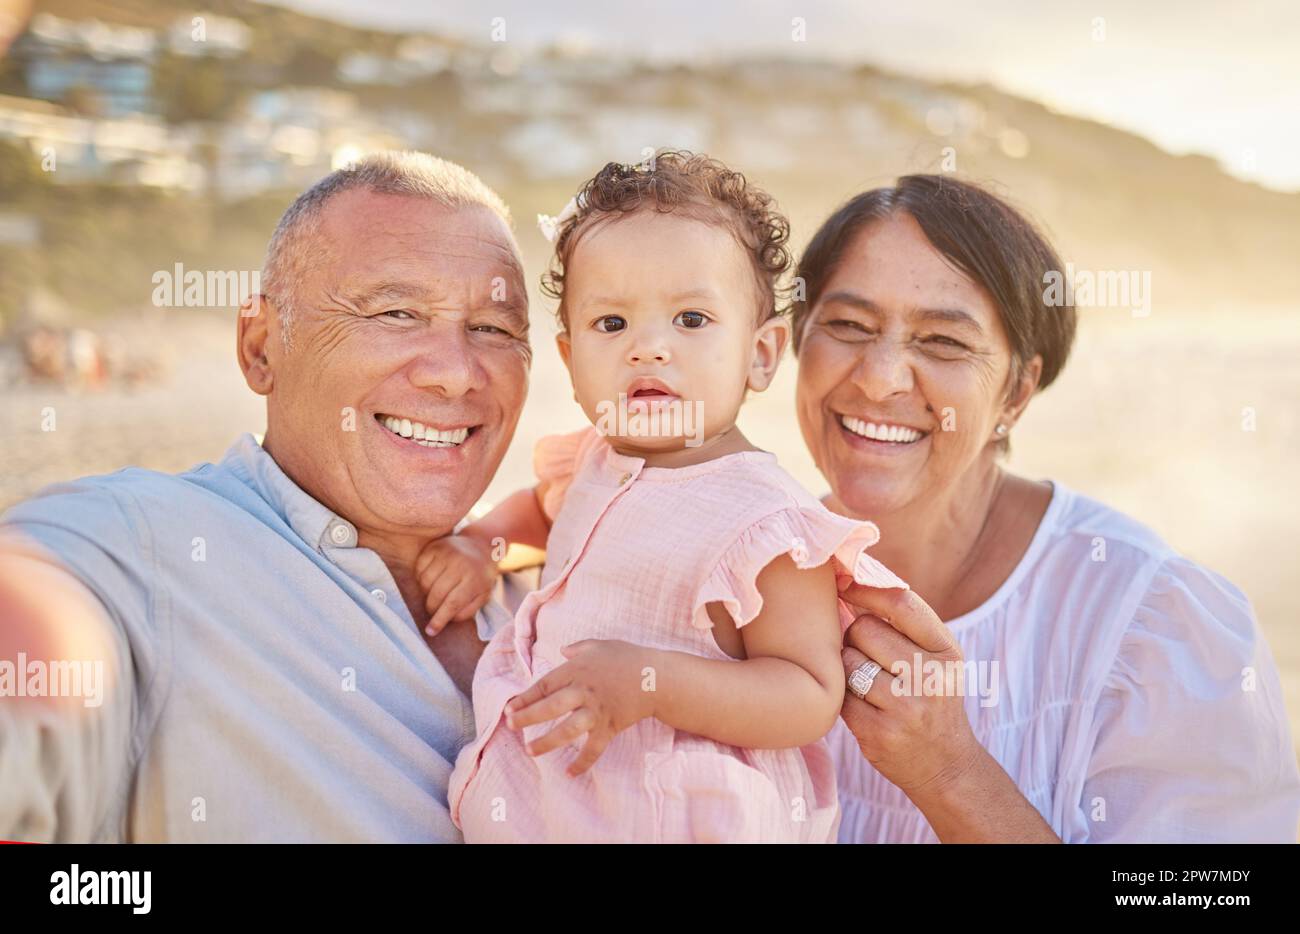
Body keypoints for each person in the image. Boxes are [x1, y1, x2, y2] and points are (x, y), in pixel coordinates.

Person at [0, 151, 530, 842]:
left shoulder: (569, 581)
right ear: (260, 347)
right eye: (396, 312)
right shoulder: (145, 548)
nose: (456, 373)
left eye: (493, 328)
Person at [789, 174, 1300, 842]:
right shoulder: (733, 578)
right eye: (849, 326)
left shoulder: (1147, 623)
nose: (879, 379)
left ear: (1017, 392)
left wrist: (951, 773)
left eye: (943, 341)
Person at [425, 152, 907, 843]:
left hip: (683, 813)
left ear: (761, 354)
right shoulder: (594, 460)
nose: (648, 348)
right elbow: (541, 512)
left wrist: (652, 683)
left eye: (691, 318)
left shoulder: (765, 520)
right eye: (611, 324)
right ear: (570, 359)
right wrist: (482, 547)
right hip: (564, 805)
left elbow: (808, 693)